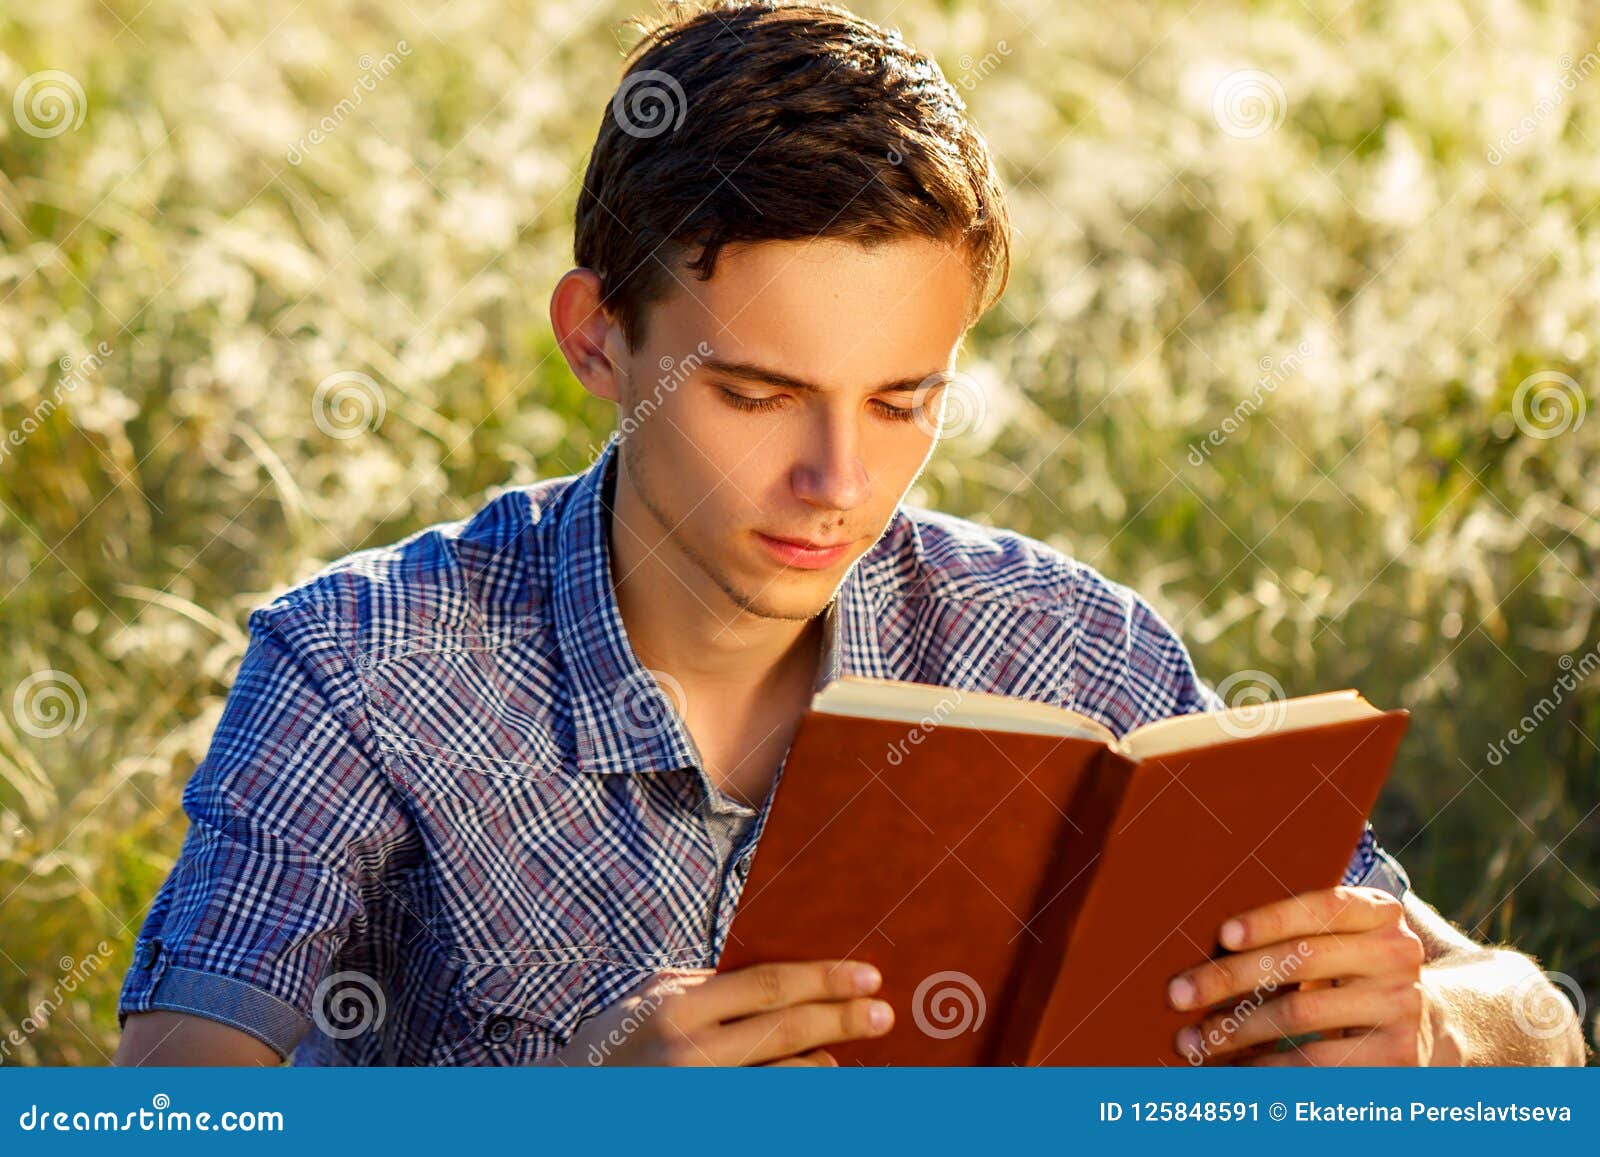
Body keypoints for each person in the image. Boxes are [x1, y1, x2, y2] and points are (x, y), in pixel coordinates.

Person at [114, 0, 1586, 1067]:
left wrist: (1437, 1032)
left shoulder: (1073, 650)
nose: (837, 477)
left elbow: (1534, 1018)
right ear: (597, 338)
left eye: (904, 401)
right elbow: (172, 1102)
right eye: (756, 393)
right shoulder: (360, 663)